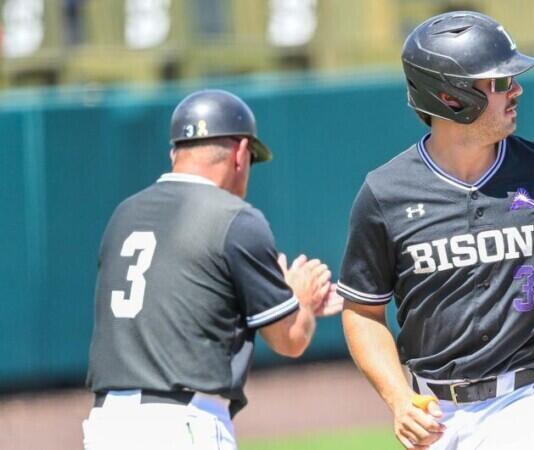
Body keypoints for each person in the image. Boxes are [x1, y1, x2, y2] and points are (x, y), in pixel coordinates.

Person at [338, 11, 534, 450]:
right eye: (500, 81)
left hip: (530, 399)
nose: (516, 89)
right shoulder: (385, 194)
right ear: (450, 97)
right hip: (434, 417)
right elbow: (362, 312)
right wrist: (397, 399)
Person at [83, 89, 342, 450]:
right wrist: (301, 300)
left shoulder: (124, 214)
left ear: (175, 152)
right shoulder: (234, 218)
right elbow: (291, 339)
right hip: (179, 426)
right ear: (239, 153)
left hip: (106, 426)